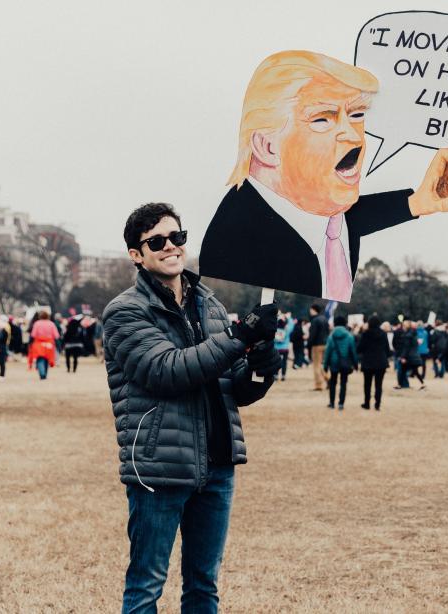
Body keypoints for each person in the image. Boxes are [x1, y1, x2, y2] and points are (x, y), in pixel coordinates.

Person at [103, 203, 280, 613]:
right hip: (160, 465)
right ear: (137, 254)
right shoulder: (125, 311)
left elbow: (234, 387)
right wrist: (239, 337)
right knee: (147, 584)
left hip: (217, 464)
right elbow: (166, 371)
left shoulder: (210, 305)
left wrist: (260, 370)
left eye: (176, 237)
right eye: (157, 242)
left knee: (204, 585)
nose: (170, 247)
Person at [199, 51, 448, 301]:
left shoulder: (320, 211)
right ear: (267, 146)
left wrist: (419, 201)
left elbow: (350, 219)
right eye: (322, 119)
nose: (352, 135)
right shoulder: (236, 241)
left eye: (357, 115)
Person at [323, 315, 358, 410]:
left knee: (333, 382)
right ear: (345, 324)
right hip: (345, 362)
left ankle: (331, 403)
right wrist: (355, 364)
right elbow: (352, 351)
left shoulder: (331, 336)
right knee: (343, 383)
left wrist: (325, 365)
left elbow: (328, 351)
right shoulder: (349, 336)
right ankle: (341, 403)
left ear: (334, 323)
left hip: (333, 362)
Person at [357, 315, 390, 410]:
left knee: (367, 384)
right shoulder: (383, 334)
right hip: (381, 362)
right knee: (379, 385)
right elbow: (387, 349)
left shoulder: (366, 334)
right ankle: (377, 404)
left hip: (368, 362)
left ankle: (367, 403)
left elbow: (360, 348)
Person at [28, 311, 59, 380]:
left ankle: (42, 373)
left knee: (40, 359)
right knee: (47, 359)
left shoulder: (37, 323)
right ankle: (45, 373)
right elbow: (56, 335)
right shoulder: (51, 324)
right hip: (49, 344)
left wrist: (30, 343)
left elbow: (33, 334)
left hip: (38, 343)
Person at [396, 319, 426, 390]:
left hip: (410, 357)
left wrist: (403, 357)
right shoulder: (413, 334)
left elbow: (406, 348)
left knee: (403, 370)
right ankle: (423, 384)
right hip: (415, 356)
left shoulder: (407, 336)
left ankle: (399, 384)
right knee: (414, 371)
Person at [308, 304, 330, 391]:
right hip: (324, 344)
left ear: (314, 310)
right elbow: (328, 331)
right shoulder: (325, 319)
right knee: (320, 364)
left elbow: (313, 334)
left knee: (316, 365)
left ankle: (318, 385)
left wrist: (309, 344)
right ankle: (328, 378)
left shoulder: (314, 320)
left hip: (316, 345)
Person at [274, 315, 293, 381]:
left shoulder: (275, 331)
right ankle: (283, 375)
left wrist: (278, 317)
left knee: (275, 362)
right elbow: (291, 325)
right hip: (285, 349)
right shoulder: (286, 330)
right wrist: (289, 317)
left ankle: (276, 375)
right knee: (284, 362)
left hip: (276, 349)